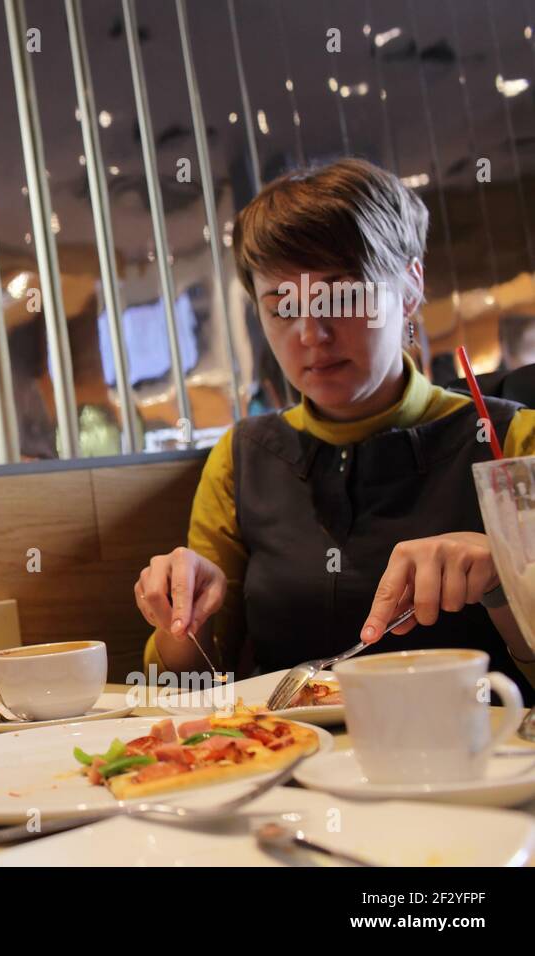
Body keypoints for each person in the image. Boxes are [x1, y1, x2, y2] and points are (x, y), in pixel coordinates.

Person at [133, 159, 535, 697]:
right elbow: (194, 686)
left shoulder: (512, 440)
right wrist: (182, 617)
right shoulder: (244, 457)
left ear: (410, 288)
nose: (311, 334)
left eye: (342, 297)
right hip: (287, 763)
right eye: (282, 307)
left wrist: (504, 584)